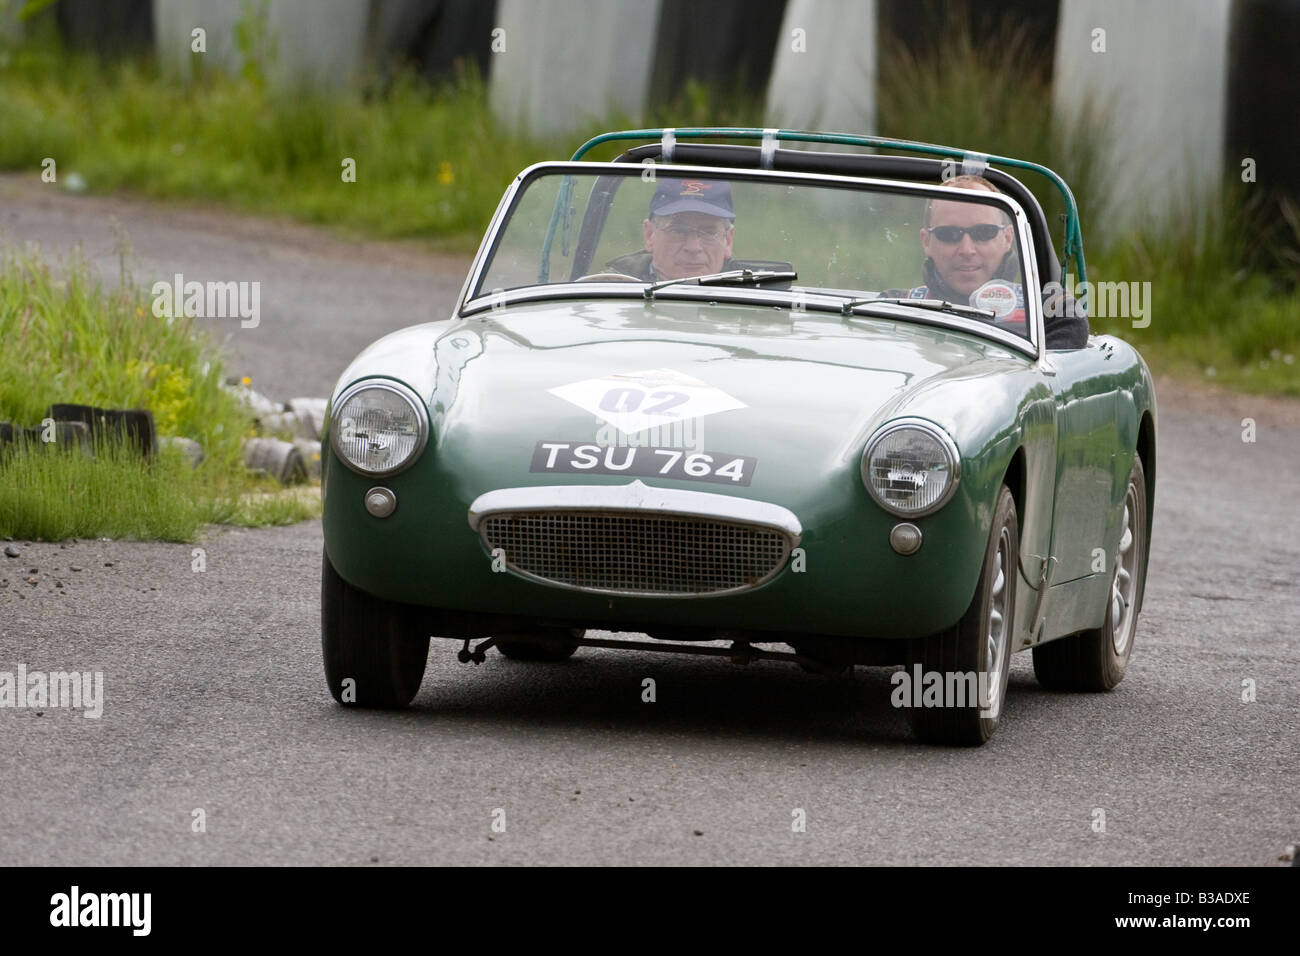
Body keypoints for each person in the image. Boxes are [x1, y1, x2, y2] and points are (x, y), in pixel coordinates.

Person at [887, 175, 1089, 349]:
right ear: (926, 241)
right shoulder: (892, 307)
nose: (967, 250)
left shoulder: (1053, 313)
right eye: (949, 234)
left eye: (983, 233)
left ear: (1008, 238)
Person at [605, 178, 738, 281]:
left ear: (728, 241)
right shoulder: (607, 290)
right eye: (678, 231)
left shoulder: (752, 292)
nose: (693, 247)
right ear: (649, 235)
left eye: (709, 232)